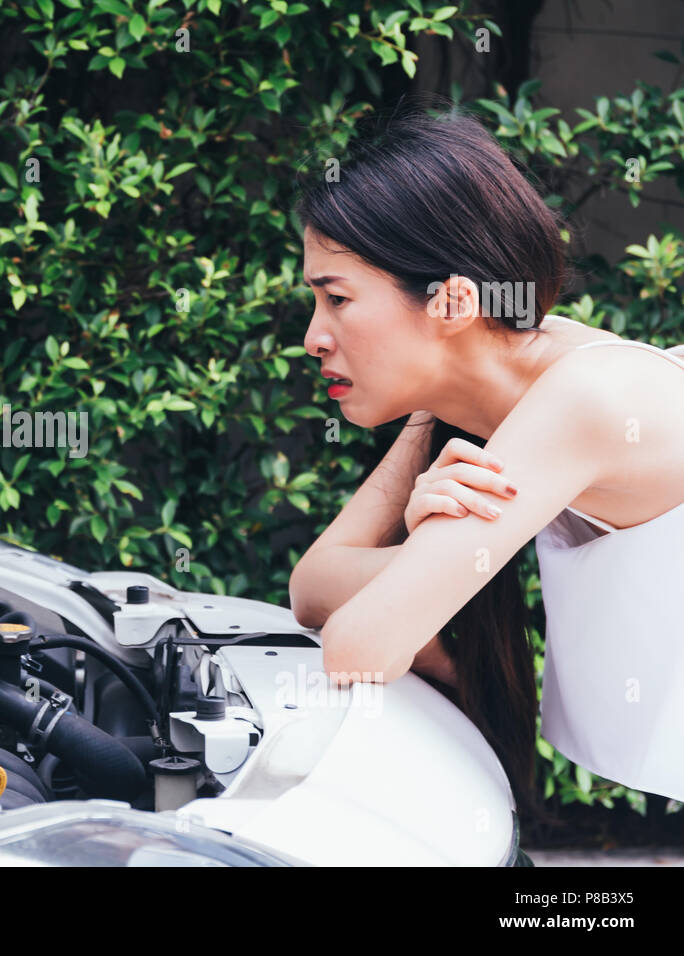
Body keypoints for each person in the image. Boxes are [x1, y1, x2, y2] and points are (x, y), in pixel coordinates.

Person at [286, 105, 684, 816]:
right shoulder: (475, 397)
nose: (314, 337)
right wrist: (421, 561)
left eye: (337, 298)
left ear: (453, 301)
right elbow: (312, 586)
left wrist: (417, 574)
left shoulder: (583, 397)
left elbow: (356, 646)